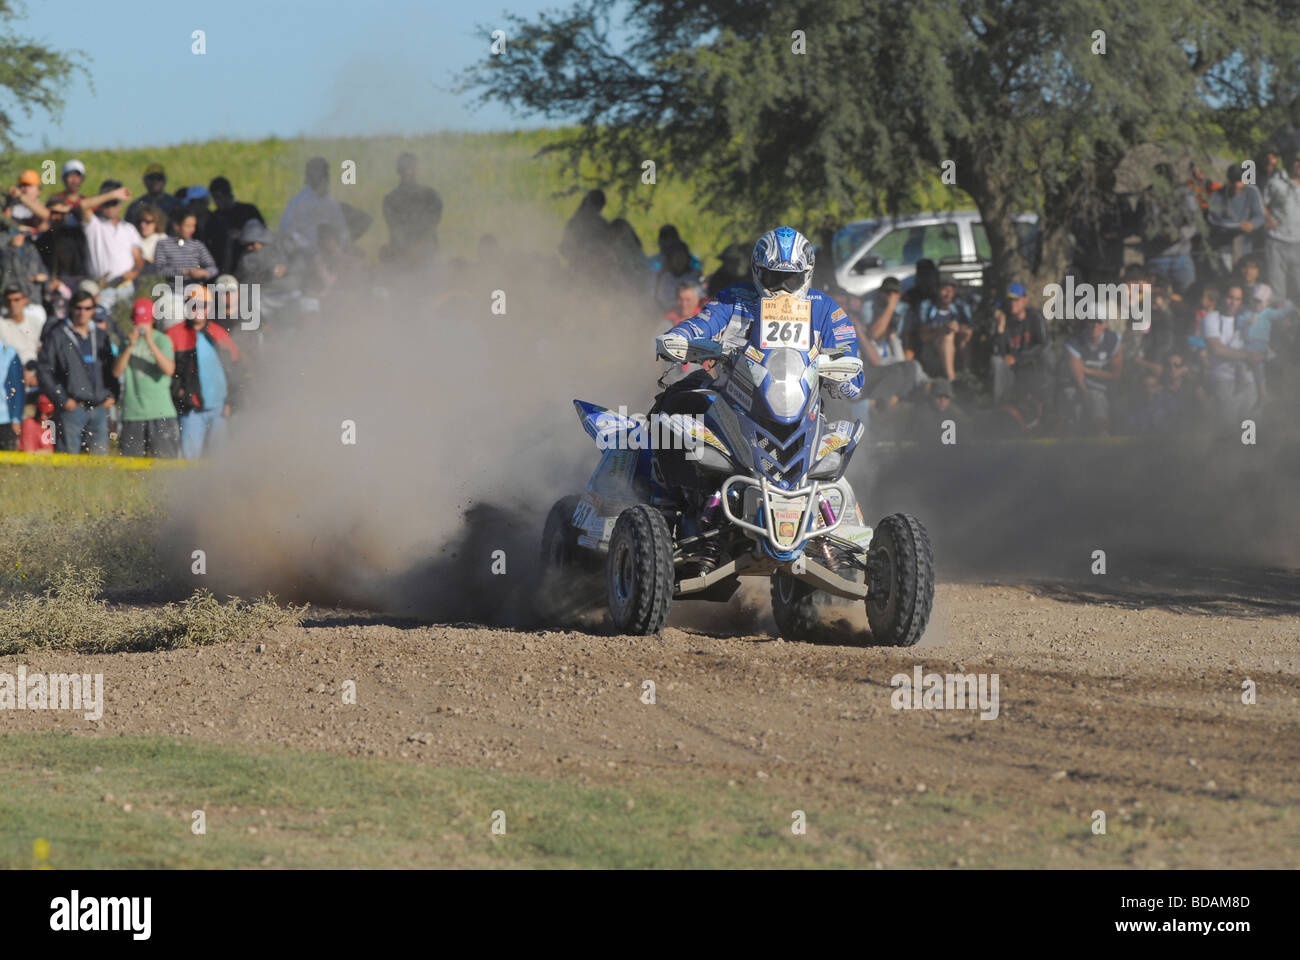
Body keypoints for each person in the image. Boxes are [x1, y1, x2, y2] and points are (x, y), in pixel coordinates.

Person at [655, 225, 864, 403]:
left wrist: (841, 374)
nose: (782, 288)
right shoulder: (734, 299)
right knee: (675, 405)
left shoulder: (824, 308)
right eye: (774, 277)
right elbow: (701, 324)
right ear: (758, 271)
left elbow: (853, 377)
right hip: (734, 403)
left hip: (802, 411)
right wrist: (679, 338)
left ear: (806, 275)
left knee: (839, 443)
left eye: (791, 279)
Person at [36, 289, 117, 454]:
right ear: (71, 308)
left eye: (87, 308)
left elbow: (111, 369)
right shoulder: (57, 334)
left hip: (99, 408)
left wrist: (113, 394)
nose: (82, 313)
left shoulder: (101, 336)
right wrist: (62, 399)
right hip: (71, 409)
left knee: (99, 466)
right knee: (68, 464)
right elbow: (44, 370)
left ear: (93, 310)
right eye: (78, 308)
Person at [167, 285, 239, 458]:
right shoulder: (174, 334)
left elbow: (233, 369)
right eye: (193, 305)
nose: (198, 309)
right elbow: (166, 372)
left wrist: (230, 400)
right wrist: (180, 393)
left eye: (203, 305)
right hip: (191, 411)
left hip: (219, 410)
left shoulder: (219, 334)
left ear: (209, 307)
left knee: (220, 463)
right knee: (189, 463)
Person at [113, 298, 179, 457]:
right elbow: (116, 372)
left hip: (161, 412)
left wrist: (150, 342)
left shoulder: (162, 340)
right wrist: (130, 345)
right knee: (131, 470)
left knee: (166, 466)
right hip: (133, 413)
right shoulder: (126, 342)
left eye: (145, 321)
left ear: (153, 320)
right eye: (138, 322)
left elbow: (169, 369)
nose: (142, 326)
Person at [1200, 284, 1263, 431]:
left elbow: (1259, 350)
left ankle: (1250, 453)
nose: (1233, 302)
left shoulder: (1248, 319)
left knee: (1250, 431)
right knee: (1228, 429)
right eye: (1230, 298)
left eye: (1237, 299)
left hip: (1249, 380)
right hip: (1224, 380)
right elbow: (1216, 349)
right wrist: (1247, 355)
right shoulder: (1211, 319)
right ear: (1223, 298)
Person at [79, 181, 144, 313]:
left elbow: (138, 258)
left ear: (120, 205)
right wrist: (112, 194)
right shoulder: (94, 225)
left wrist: (134, 272)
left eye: (114, 203)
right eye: (106, 203)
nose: (110, 208)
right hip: (101, 287)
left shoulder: (129, 228)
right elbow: (83, 205)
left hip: (125, 286)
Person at [1060, 310, 1123, 435]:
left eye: (1099, 322)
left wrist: (1087, 370)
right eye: (1091, 321)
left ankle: (1103, 439)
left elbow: (1115, 375)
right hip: (1078, 387)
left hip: (1103, 389)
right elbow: (1079, 379)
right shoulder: (1074, 342)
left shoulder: (1113, 340)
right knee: (1072, 398)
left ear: (1105, 324)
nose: (1095, 326)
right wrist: (1086, 394)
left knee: (1098, 402)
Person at [988, 282, 1051, 406]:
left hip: (1031, 364)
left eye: (1016, 299)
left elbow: (1044, 345)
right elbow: (998, 352)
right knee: (996, 361)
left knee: (1048, 356)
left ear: (1025, 299)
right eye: (1010, 300)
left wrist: (1018, 358)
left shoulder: (1035, 317)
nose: (1013, 303)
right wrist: (1000, 328)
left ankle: (1048, 407)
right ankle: (999, 406)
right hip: (1011, 369)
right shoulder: (1004, 320)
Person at [380, 152, 442, 266]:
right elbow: (395, 228)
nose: (408, 172)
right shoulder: (390, 199)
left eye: (410, 167)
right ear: (399, 171)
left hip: (425, 254)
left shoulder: (430, 196)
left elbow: (432, 224)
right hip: (402, 256)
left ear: (417, 170)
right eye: (404, 168)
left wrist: (418, 248)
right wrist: (408, 250)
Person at [279, 157, 347, 255]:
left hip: (330, 254)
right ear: (309, 177)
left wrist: (339, 248)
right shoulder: (298, 202)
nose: (323, 177)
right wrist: (307, 248)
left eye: (324, 174)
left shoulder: (331, 203)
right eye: (317, 173)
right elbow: (285, 231)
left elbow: (342, 230)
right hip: (303, 256)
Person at [1208, 164, 1266, 276]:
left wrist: (1252, 224)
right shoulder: (1218, 194)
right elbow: (1213, 219)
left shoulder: (1252, 191)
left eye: (1240, 181)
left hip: (1246, 245)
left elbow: (1260, 216)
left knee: (1244, 276)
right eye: (1234, 181)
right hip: (1224, 246)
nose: (1237, 185)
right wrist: (1237, 225)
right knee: (1226, 277)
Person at [914, 279, 973, 381]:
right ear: (937, 290)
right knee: (947, 336)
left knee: (964, 335)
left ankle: (966, 374)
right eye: (945, 290)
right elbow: (924, 337)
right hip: (932, 351)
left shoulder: (960, 306)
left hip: (957, 350)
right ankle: (951, 380)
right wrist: (942, 329)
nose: (948, 294)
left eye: (951, 291)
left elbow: (969, 331)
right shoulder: (927, 307)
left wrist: (958, 328)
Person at [1263, 151, 1300, 305]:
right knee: (1278, 292)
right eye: (1297, 160)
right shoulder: (1276, 182)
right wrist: (1268, 218)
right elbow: (1262, 203)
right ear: (1291, 161)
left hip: (1299, 243)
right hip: (1276, 242)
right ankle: (1279, 325)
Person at [206, 177, 264, 273]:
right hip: (225, 264)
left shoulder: (249, 210)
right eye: (214, 198)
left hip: (250, 261)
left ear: (228, 194)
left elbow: (262, 235)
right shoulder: (215, 217)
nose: (216, 201)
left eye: (219, 197)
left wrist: (242, 235)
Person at [152, 209, 218, 284]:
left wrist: (204, 272)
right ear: (176, 226)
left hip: (195, 289)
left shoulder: (197, 245)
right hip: (171, 289)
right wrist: (184, 272)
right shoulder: (163, 244)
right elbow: (159, 270)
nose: (192, 230)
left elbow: (213, 268)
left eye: (193, 226)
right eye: (188, 226)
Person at [560, 189, 608, 269]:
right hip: (581, 267)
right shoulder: (574, 223)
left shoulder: (601, 224)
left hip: (593, 267)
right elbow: (565, 248)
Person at [125, 162, 180, 229]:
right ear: (144, 180)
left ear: (164, 180)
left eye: (159, 178)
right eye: (151, 178)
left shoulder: (175, 204)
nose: (155, 181)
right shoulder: (136, 205)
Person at [0, 286, 46, 365]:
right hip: (11, 369)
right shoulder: (1, 324)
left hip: (35, 368)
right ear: (4, 302)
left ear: (25, 300)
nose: (12, 304)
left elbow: (42, 348)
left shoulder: (35, 322)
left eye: (17, 300)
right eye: (9, 300)